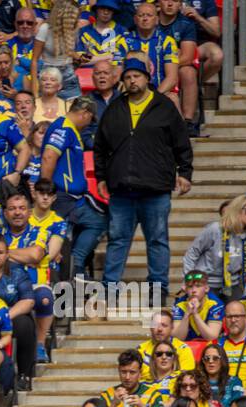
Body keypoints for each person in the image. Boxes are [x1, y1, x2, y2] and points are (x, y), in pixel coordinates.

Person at [92, 56, 192, 299]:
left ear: (147, 78)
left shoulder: (164, 106)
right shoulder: (114, 108)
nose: (132, 80)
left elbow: (181, 142)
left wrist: (185, 173)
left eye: (136, 76)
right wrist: (102, 177)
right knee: (117, 242)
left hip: (155, 189)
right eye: (127, 77)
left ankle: (158, 290)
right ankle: (109, 291)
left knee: (157, 241)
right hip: (122, 191)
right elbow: (100, 147)